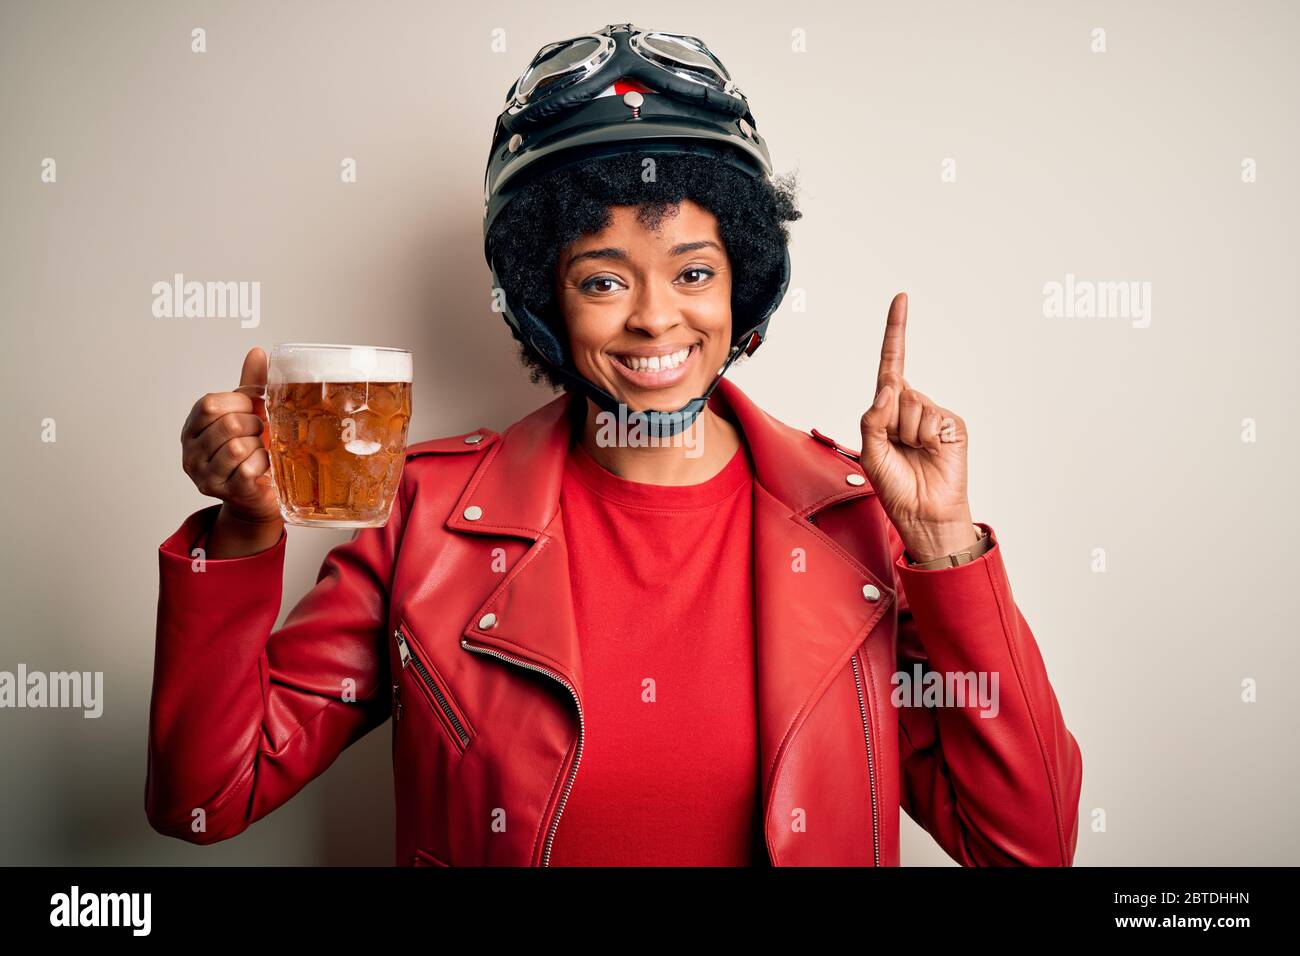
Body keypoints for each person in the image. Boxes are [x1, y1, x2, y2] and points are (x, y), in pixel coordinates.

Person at [146, 24, 1082, 866]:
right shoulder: (422, 520)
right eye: (602, 280)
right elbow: (204, 800)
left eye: (694, 271)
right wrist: (242, 532)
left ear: (741, 285)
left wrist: (946, 546)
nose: (654, 318)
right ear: (541, 299)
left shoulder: (857, 525)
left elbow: (1029, 847)